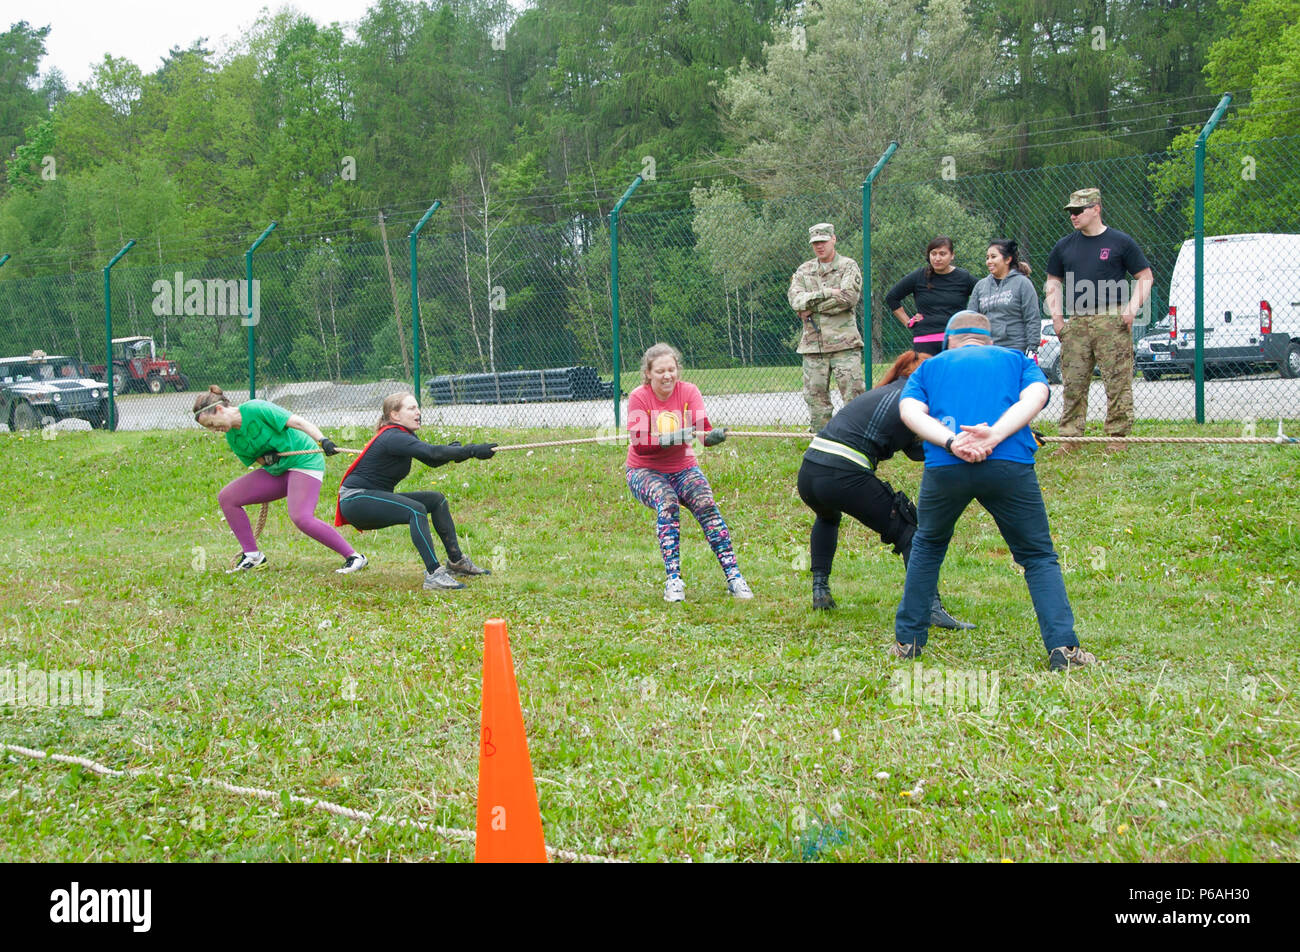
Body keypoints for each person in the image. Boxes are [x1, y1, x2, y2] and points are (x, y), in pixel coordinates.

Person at [892, 311, 1096, 671]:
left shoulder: (929, 367)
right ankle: (1063, 649)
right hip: (1010, 466)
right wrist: (997, 435)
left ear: (950, 339)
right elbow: (1037, 395)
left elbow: (909, 412)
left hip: (945, 469)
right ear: (989, 339)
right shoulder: (1016, 359)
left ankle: (907, 642)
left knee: (927, 546)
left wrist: (953, 442)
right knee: (1037, 556)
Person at [796, 350, 973, 629]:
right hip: (844, 473)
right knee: (910, 531)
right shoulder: (914, 400)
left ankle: (820, 590)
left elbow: (914, 451)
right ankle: (930, 608)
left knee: (827, 517)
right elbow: (925, 447)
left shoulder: (885, 392)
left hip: (809, 470)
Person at [192, 385, 365, 574]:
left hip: (304, 462)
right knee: (227, 497)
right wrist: (266, 459)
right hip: (278, 471)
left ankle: (354, 557)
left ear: (219, 409)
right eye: (209, 428)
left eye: (211, 424)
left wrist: (322, 440)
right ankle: (253, 556)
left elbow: (298, 422)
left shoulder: (255, 408)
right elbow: (257, 459)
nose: (214, 430)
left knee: (301, 517)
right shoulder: (233, 437)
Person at [626, 343, 751, 602]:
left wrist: (714, 437)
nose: (667, 375)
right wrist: (677, 436)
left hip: (683, 468)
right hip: (644, 470)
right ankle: (674, 581)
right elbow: (641, 444)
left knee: (706, 504)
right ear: (648, 373)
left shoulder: (689, 392)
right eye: (660, 371)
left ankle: (735, 578)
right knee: (668, 502)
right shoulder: (639, 396)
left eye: (671, 369)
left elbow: (703, 433)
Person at [335, 393, 496, 591]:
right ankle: (433, 574)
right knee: (416, 509)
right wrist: (471, 450)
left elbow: (432, 460)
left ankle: (457, 562)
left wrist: (457, 452)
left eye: (418, 407)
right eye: (411, 408)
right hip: (356, 500)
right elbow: (433, 453)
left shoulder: (402, 435)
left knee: (436, 500)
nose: (418, 412)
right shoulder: (393, 436)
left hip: (370, 497)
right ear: (394, 415)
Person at [1044, 187, 1154, 450]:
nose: (1073, 216)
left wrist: (1131, 308)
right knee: (1073, 383)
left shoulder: (1120, 242)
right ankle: (1070, 439)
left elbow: (1145, 276)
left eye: (1079, 210)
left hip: (1111, 321)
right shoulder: (1064, 246)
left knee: (1117, 381)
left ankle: (1117, 438)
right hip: (1077, 322)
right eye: (1071, 212)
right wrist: (1058, 319)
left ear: (1096, 209)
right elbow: (1052, 283)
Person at [787, 222, 866, 432]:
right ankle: (821, 442)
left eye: (823, 241)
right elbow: (795, 301)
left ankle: (856, 440)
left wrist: (812, 307)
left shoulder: (848, 266)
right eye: (815, 243)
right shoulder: (804, 270)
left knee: (854, 397)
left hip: (844, 345)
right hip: (813, 347)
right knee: (815, 399)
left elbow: (849, 297)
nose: (819, 246)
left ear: (833, 239)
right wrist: (827, 293)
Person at [885, 236, 978, 356]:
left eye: (942, 254)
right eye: (933, 254)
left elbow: (983, 295)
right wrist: (908, 322)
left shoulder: (964, 277)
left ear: (952, 255)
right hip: (924, 341)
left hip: (956, 341)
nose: (937, 258)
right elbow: (892, 298)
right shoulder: (918, 276)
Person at [968, 239, 1041, 354]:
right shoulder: (981, 286)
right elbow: (971, 318)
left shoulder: (1022, 283)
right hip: (986, 349)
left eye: (993, 257)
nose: (989, 261)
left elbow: (1032, 318)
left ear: (1007, 259)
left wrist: (1032, 348)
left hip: (1014, 349)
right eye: (987, 257)